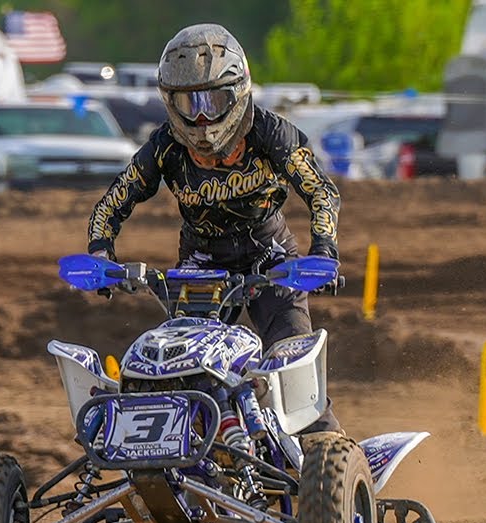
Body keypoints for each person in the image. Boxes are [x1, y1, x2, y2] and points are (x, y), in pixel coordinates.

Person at [86, 23, 342, 434]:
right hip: (201, 263)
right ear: (170, 103)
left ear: (238, 93)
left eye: (214, 100)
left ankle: (329, 459)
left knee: (292, 367)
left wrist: (324, 249)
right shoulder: (165, 147)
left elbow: (321, 192)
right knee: (185, 367)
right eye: (190, 105)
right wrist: (101, 251)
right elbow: (113, 201)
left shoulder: (271, 133)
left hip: (270, 256)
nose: (202, 117)